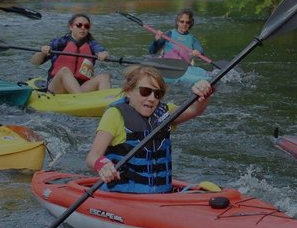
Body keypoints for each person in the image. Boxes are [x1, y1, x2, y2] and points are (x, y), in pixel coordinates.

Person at [86, 66, 214, 193]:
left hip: (161, 195)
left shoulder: (165, 113)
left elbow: (194, 110)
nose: (152, 98)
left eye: (157, 94)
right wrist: (102, 164)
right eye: (145, 91)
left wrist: (203, 93)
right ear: (128, 91)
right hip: (123, 196)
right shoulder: (115, 115)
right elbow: (92, 156)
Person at [32, 13, 111, 94]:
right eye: (79, 25)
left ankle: (107, 104)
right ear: (71, 27)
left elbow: (102, 51)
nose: (83, 28)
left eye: (86, 26)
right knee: (64, 71)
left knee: (104, 77)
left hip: (81, 88)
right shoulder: (59, 42)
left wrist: (104, 54)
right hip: (58, 88)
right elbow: (35, 62)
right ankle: (81, 100)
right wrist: (42, 52)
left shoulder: (92, 45)